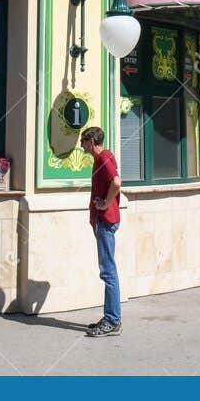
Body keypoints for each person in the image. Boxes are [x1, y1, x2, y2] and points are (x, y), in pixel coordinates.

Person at [81, 125, 123, 338]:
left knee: (108, 272)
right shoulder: (102, 159)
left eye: (83, 142)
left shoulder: (104, 157)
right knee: (107, 271)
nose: (82, 146)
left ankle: (113, 320)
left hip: (106, 221)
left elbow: (117, 182)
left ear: (91, 142)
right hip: (103, 221)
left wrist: (106, 204)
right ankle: (110, 317)